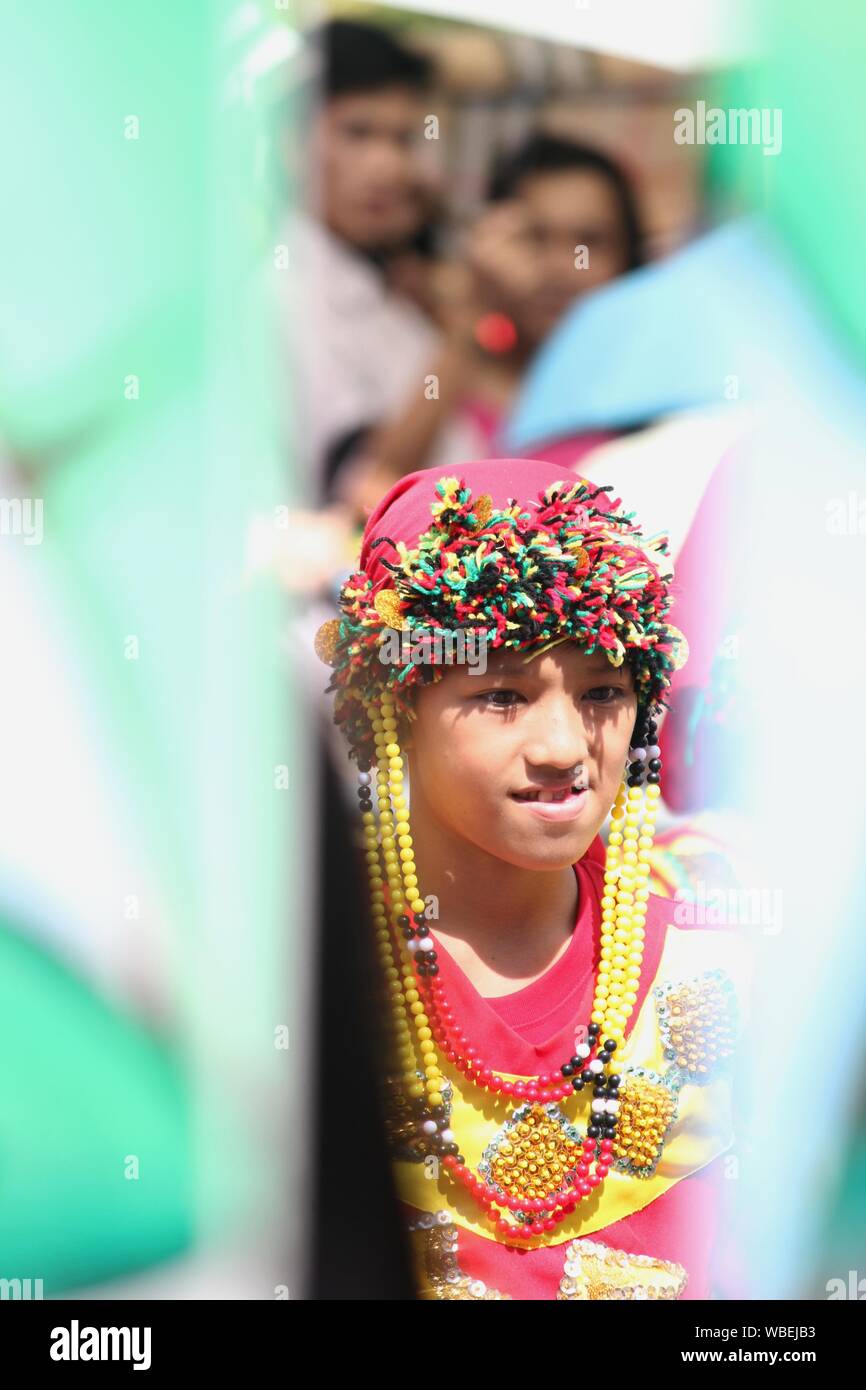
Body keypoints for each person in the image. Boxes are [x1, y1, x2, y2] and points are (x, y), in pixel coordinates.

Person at [314, 458, 750, 1300]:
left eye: (604, 691)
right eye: (503, 695)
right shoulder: (313, 985)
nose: (563, 746)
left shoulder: (721, 977)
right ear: (394, 705)